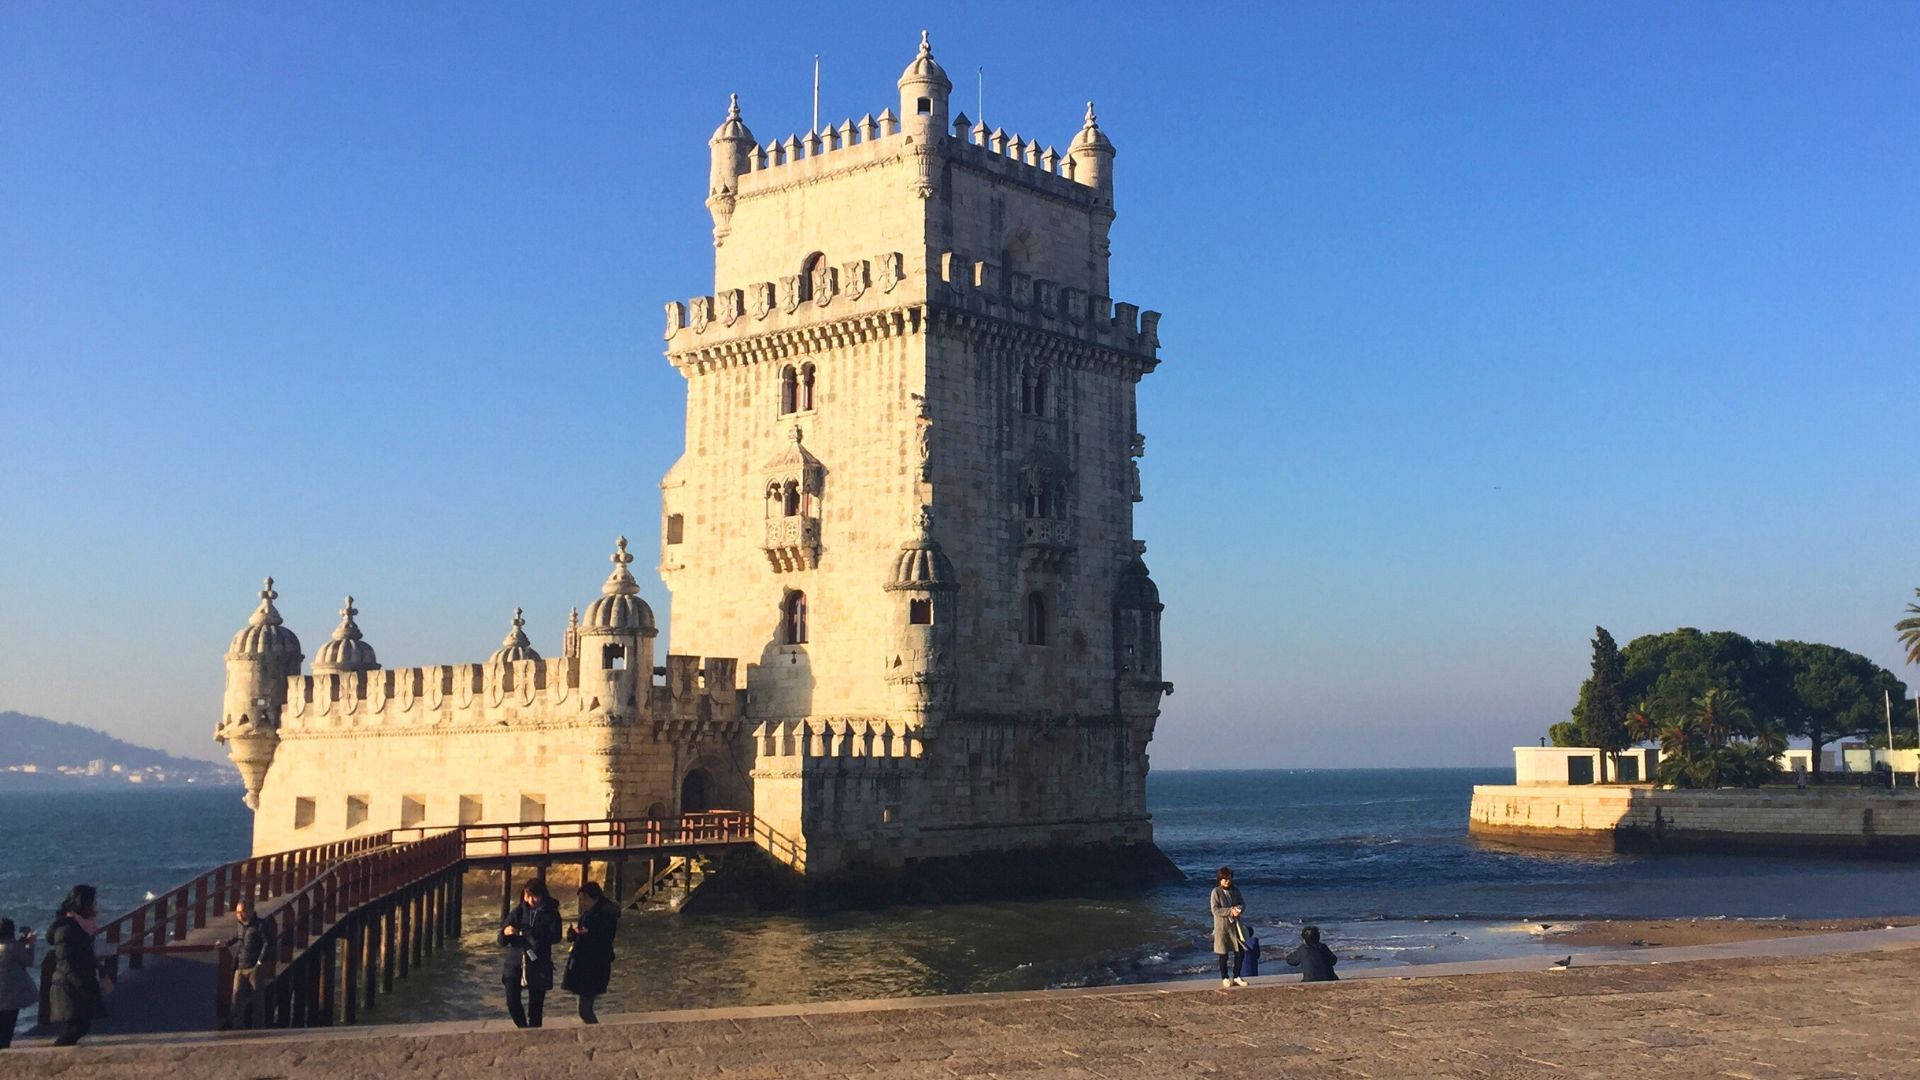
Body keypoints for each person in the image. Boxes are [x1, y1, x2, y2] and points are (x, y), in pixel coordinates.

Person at [46, 885, 106, 1046]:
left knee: (80, 1025)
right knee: (76, 1026)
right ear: (84, 904)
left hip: (77, 982)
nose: (95, 906)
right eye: (93, 902)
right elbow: (66, 961)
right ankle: (57, 1053)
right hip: (69, 986)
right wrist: (83, 986)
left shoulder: (81, 926)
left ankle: (61, 1051)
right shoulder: (66, 929)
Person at [499, 877, 563, 1028]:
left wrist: (532, 932)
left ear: (542, 895)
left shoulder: (551, 913)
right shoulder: (518, 911)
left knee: (535, 1008)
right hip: (515, 962)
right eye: (527, 896)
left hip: (538, 963)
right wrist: (506, 932)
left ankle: (534, 1033)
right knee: (512, 1001)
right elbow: (501, 940)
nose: (531, 900)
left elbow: (556, 936)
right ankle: (523, 1028)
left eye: (535, 896)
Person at [561, 881, 620, 1024]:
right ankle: (593, 1028)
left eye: (585, 899)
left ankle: (596, 1031)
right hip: (583, 964)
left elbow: (604, 938)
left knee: (585, 1009)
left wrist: (587, 934)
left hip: (594, 966)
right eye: (581, 900)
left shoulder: (605, 915)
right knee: (583, 1007)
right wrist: (574, 935)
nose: (582, 903)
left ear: (595, 898)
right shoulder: (588, 914)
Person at [223, 898, 276, 1029]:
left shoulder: (260, 925)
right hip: (240, 965)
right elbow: (236, 937)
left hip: (254, 966)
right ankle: (237, 1026)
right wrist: (225, 943)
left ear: (251, 911)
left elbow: (268, 942)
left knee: (257, 998)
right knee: (236, 997)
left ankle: (258, 1027)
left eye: (242, 912)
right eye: (237, 912)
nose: (239, 915)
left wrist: (260, 961)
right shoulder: (240, 925)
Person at [0, 919, 38, 1050]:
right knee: (8, 1025)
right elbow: (28, 961)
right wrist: (30, 944)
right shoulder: (14, 947)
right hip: (11, 994)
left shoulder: (12, 946)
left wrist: (21, 942)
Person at [1210, 866, 1248, 988]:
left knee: (1240, 951)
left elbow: (1242, 904)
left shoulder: (1235, 890)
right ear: (1220, 880)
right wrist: (1230, 911)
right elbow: (1215, 910)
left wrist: (1239, 909)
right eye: (1225, 879)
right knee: (1223, 953)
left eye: (1229, 878)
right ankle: (1225, 977)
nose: (1227, 881)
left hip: (1235, 926)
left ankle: (1237, 976)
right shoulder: (1216, 892)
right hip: (1222, 927)